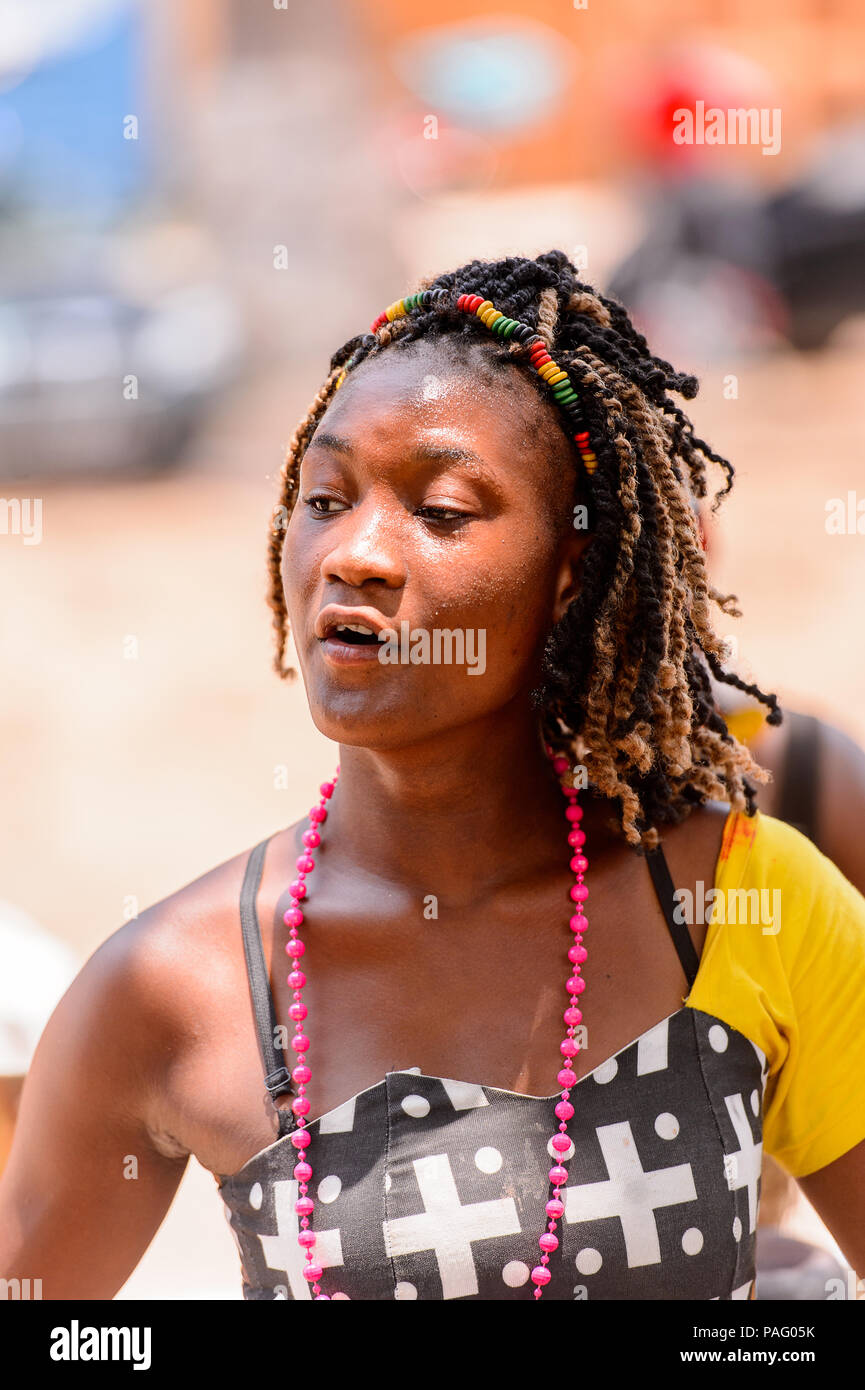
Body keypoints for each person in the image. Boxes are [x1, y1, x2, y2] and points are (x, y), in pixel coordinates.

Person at [2, 250, 865, 1302]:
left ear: (569, 574)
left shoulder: (743, 900)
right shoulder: (172, 987)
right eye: (324, 498)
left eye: (443, 511)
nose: (355, 552)